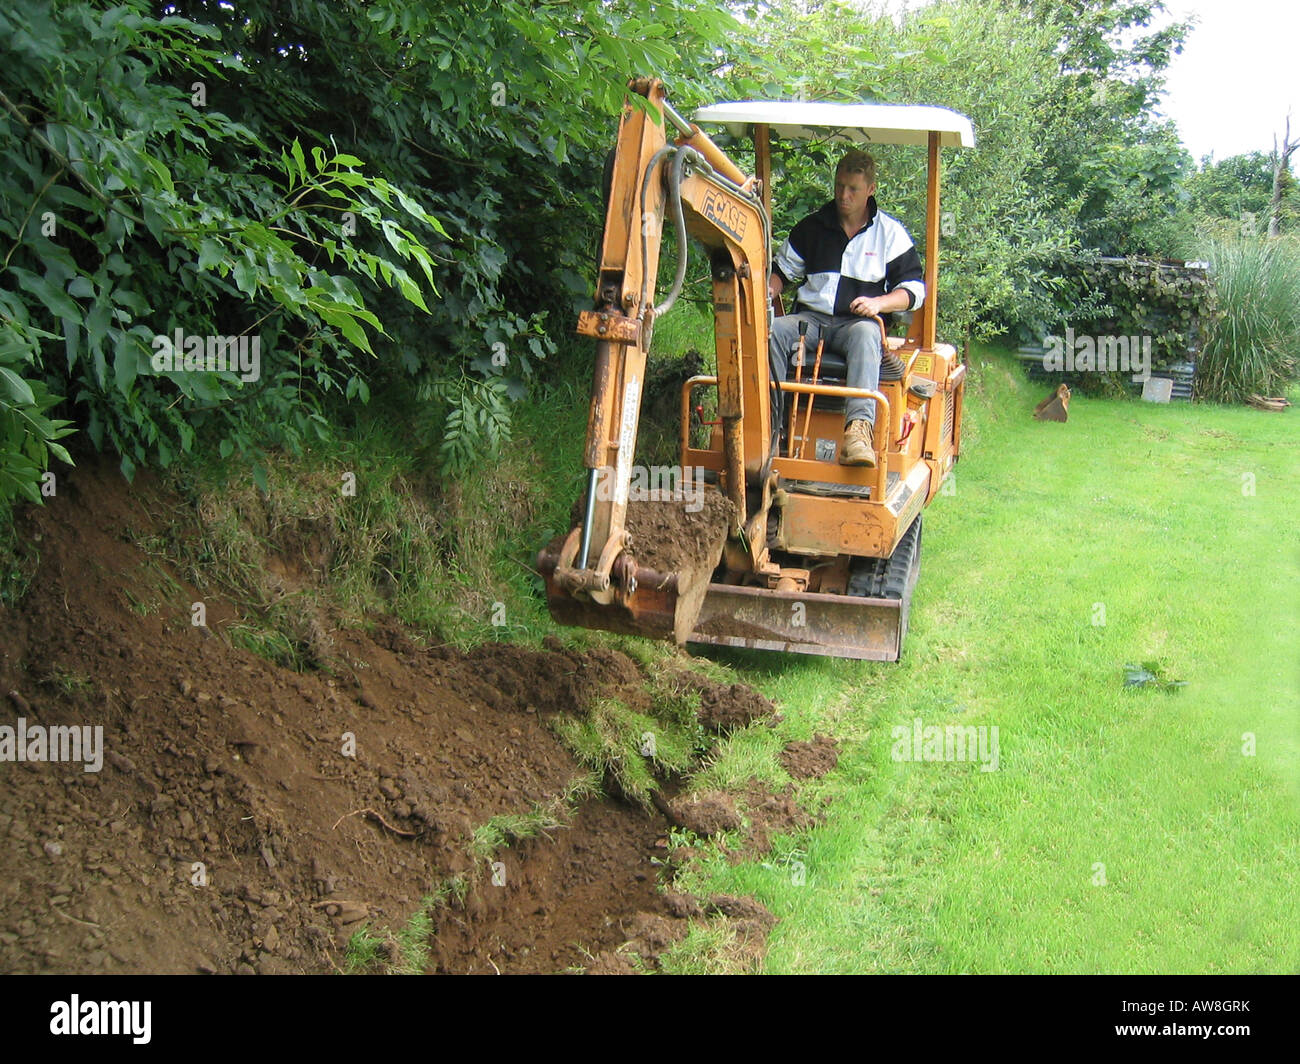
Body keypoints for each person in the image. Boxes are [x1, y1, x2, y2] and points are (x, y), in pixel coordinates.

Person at [767, 148, 925, 467]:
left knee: (868, 335)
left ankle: (857, 434)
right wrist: (765, 290)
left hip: (856, 325)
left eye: (853, 188)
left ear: (870, 190)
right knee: (773, 330)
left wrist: (879, 302)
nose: (844, 195)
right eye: (839, 186)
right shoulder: (812, 228)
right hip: (809, 322)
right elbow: (781, 272)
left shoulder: (889, 234)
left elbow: (914, 291)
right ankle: (769, 426)